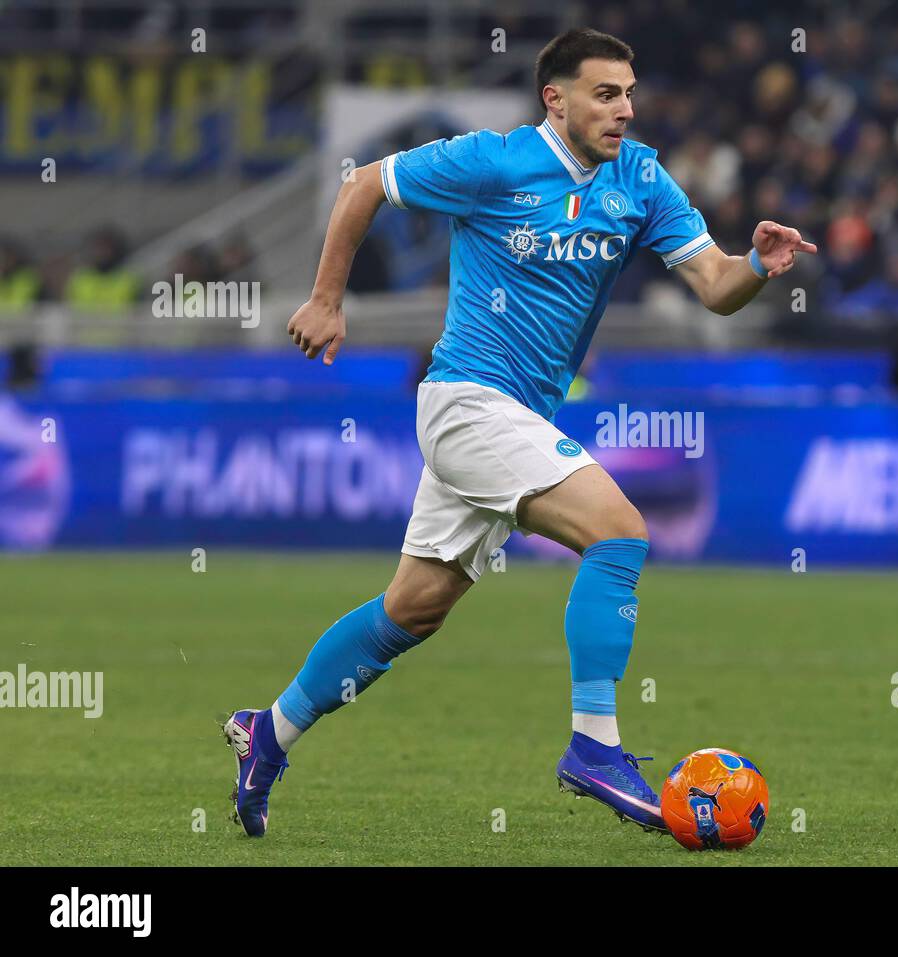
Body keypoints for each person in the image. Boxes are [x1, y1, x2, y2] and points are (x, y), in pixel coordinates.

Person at [222, 27, 817, 837]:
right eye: (606, 94)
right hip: (467, 401)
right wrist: (328, 300)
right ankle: (594, 745)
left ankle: (270, 730)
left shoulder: (638, 179)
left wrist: (754, 262)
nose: (624, 110)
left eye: (630, 94)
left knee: (414, 608)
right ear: (556, 99)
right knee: (619, 532)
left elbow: (713, 286)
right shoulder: (492, 161)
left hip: (522, 418)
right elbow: (362, 183)